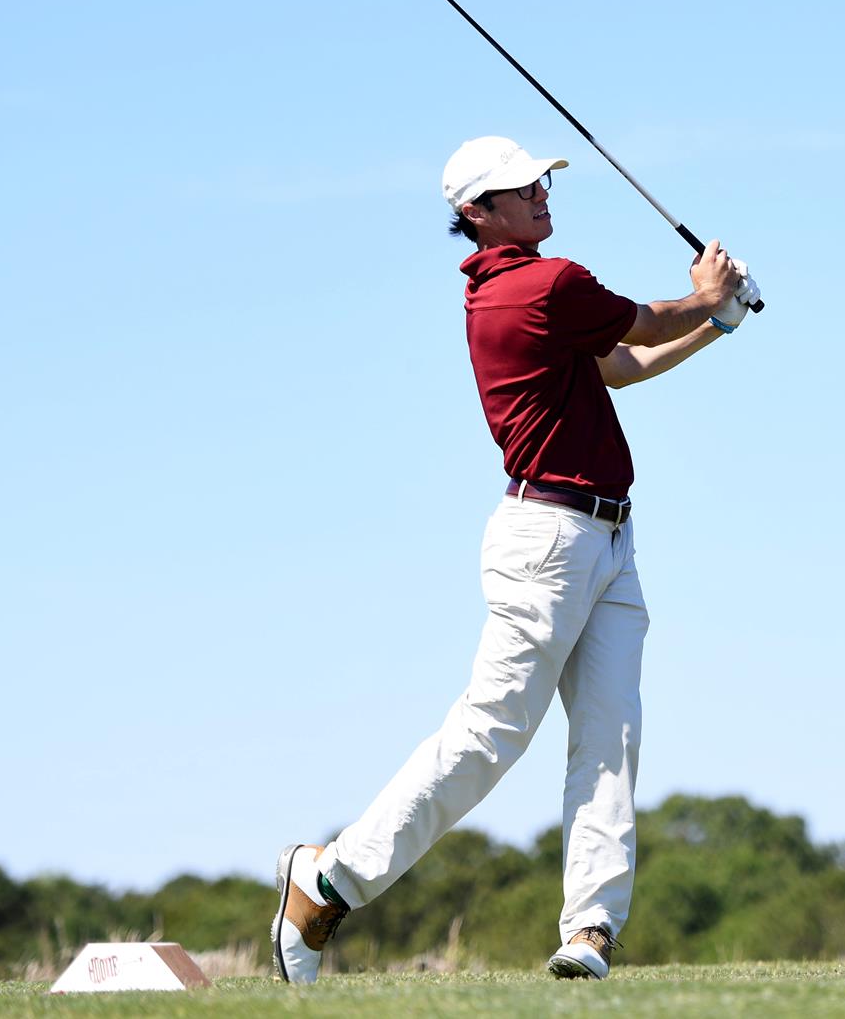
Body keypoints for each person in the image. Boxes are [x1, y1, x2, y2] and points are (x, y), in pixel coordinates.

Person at [269, 136, 760, 982]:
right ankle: (329, 877)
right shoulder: (542, 283)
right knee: (492, 733)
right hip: (549, 541)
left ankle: (591, 929)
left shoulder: (540, 289)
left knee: (611, 734)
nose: (538, 191)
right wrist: (704, 293)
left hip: (610, 538)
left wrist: (714, 319)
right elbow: (643, 322)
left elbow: (621, 364)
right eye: (515, 187)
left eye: (539, 179)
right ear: (476, 214)